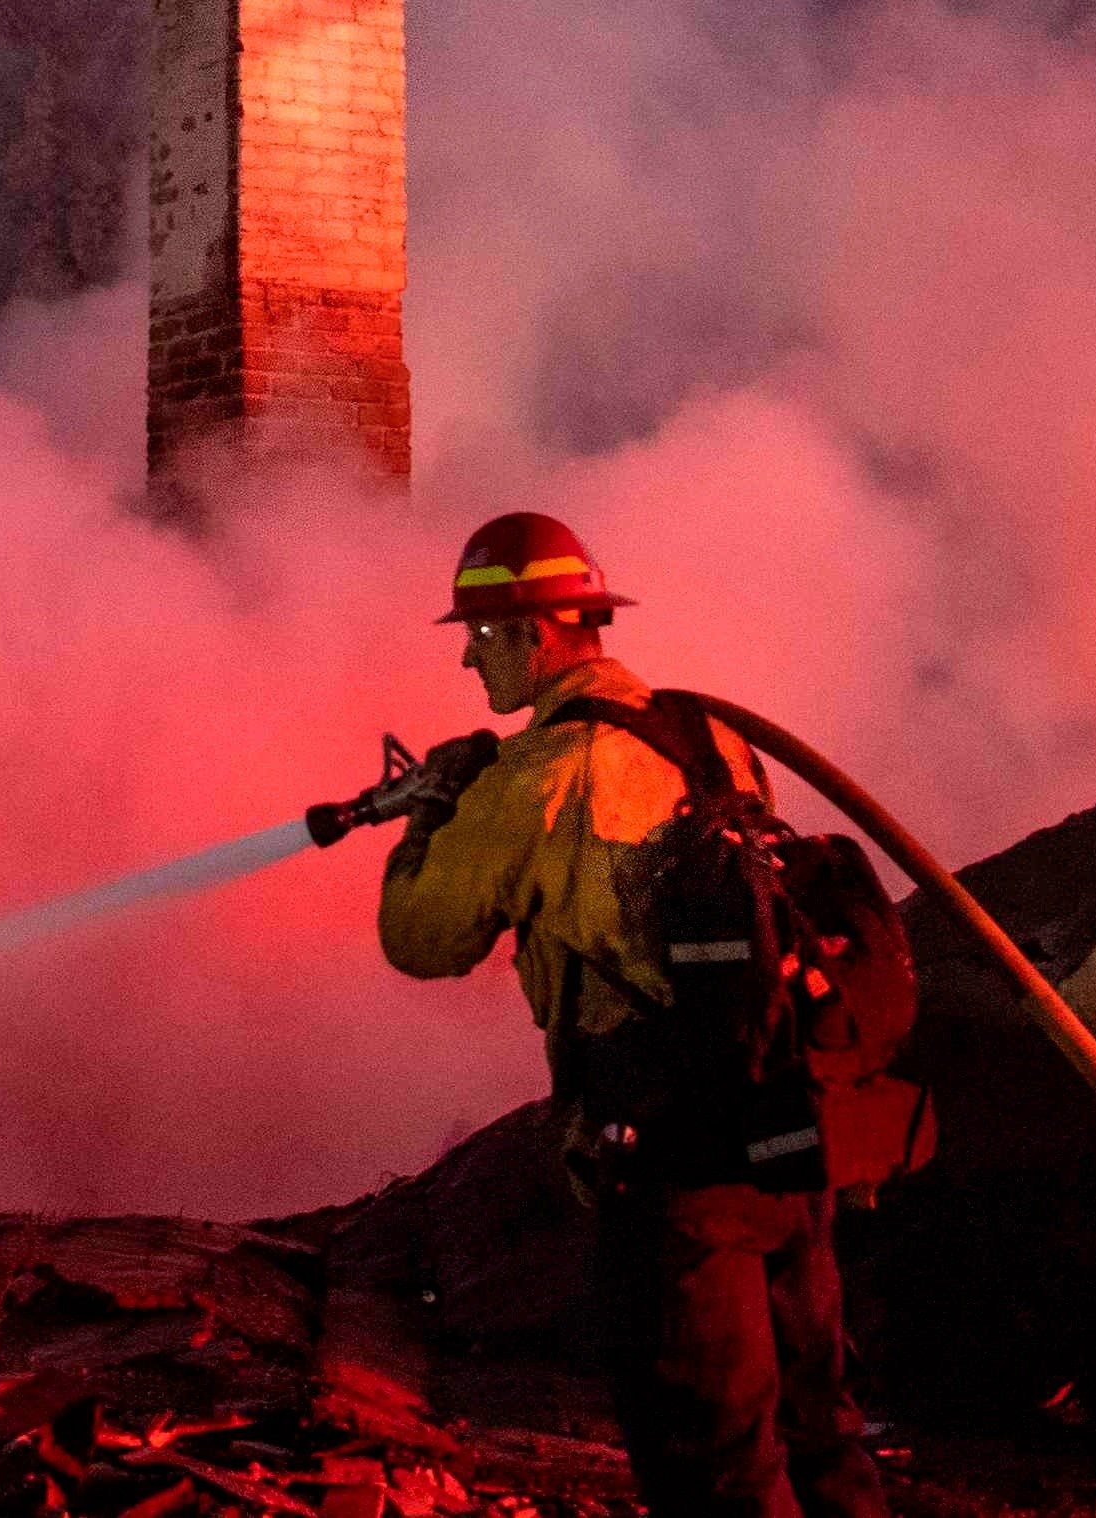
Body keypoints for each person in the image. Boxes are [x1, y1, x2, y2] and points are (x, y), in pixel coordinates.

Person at [370, 513, 890, 1518]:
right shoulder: (710, 735)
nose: (472, 665)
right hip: (786, 1133)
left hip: (677, 1168)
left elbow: (422, 938)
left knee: (715, 1466)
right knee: (819, 1434)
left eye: (482, 638)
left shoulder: (547, 770)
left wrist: (434, 808)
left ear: (543, 635)